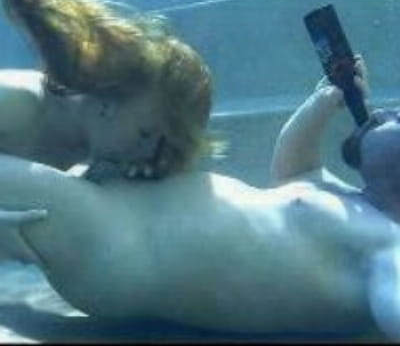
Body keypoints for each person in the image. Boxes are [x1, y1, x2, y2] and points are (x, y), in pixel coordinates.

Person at [0, 48, 399, 341]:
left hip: (117, 246)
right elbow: (294, 167)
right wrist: (323, 102)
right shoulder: (344, 196)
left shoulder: (388, 244)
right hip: (116, 211)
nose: (392, 112)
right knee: (32, 103)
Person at [0, 0, 214, 182]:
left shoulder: (83, 144)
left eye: (160, 147)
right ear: (109, 105)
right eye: (144, 134)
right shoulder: (17, 103)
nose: (147, 154)